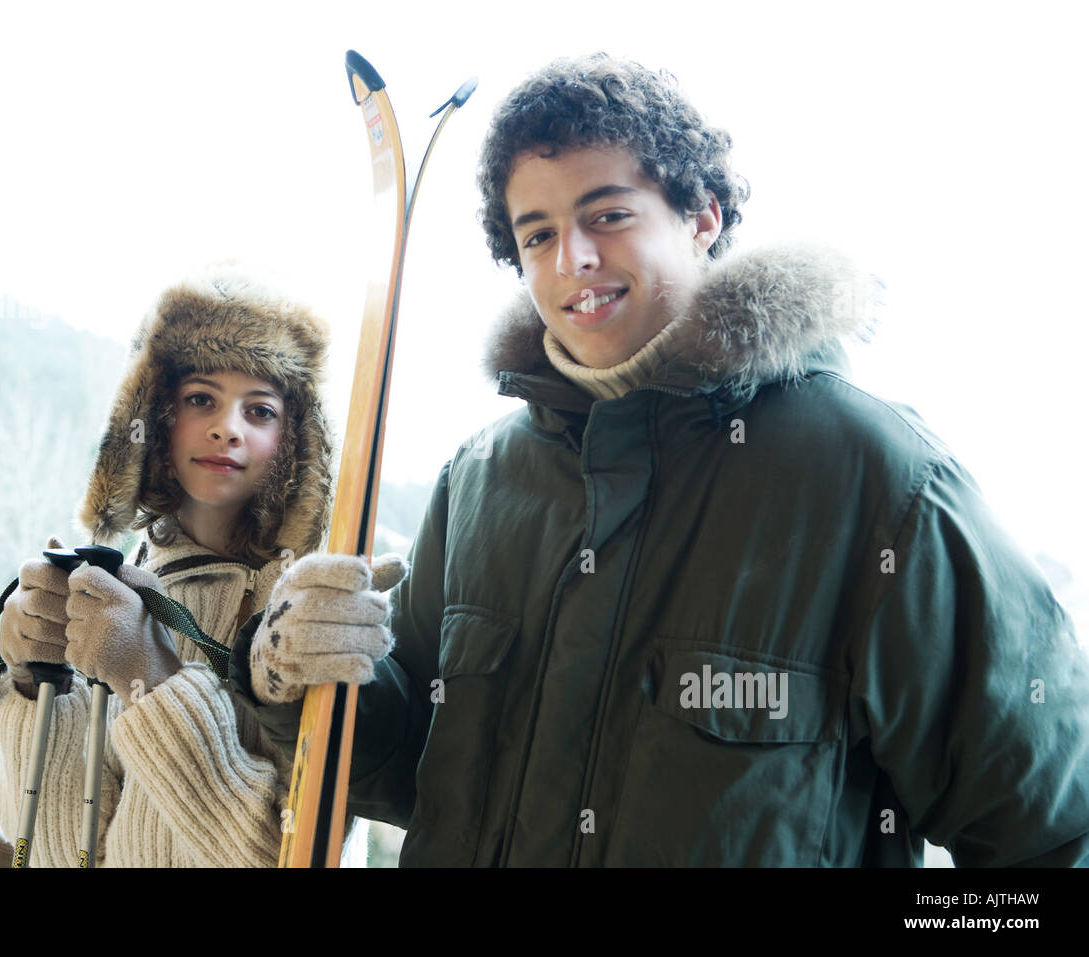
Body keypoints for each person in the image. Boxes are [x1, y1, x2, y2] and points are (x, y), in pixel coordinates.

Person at [225, 52, 1089, 866]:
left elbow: (1053, 834)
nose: (575, 260)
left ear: (702, 215)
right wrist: (292, 670)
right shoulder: (482, 482)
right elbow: (409, 764)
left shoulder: (880, 483)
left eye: (607, 213)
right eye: (537, 234)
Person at [0, 263, 344, 867]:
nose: (226, 428)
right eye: (200, 399)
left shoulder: (314, 611)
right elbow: (53, 851)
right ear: (155, 415)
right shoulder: (130, 582)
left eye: (259, 411)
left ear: (294, 438)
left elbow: (283, 856)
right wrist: (32, 679)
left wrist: (154, 676)